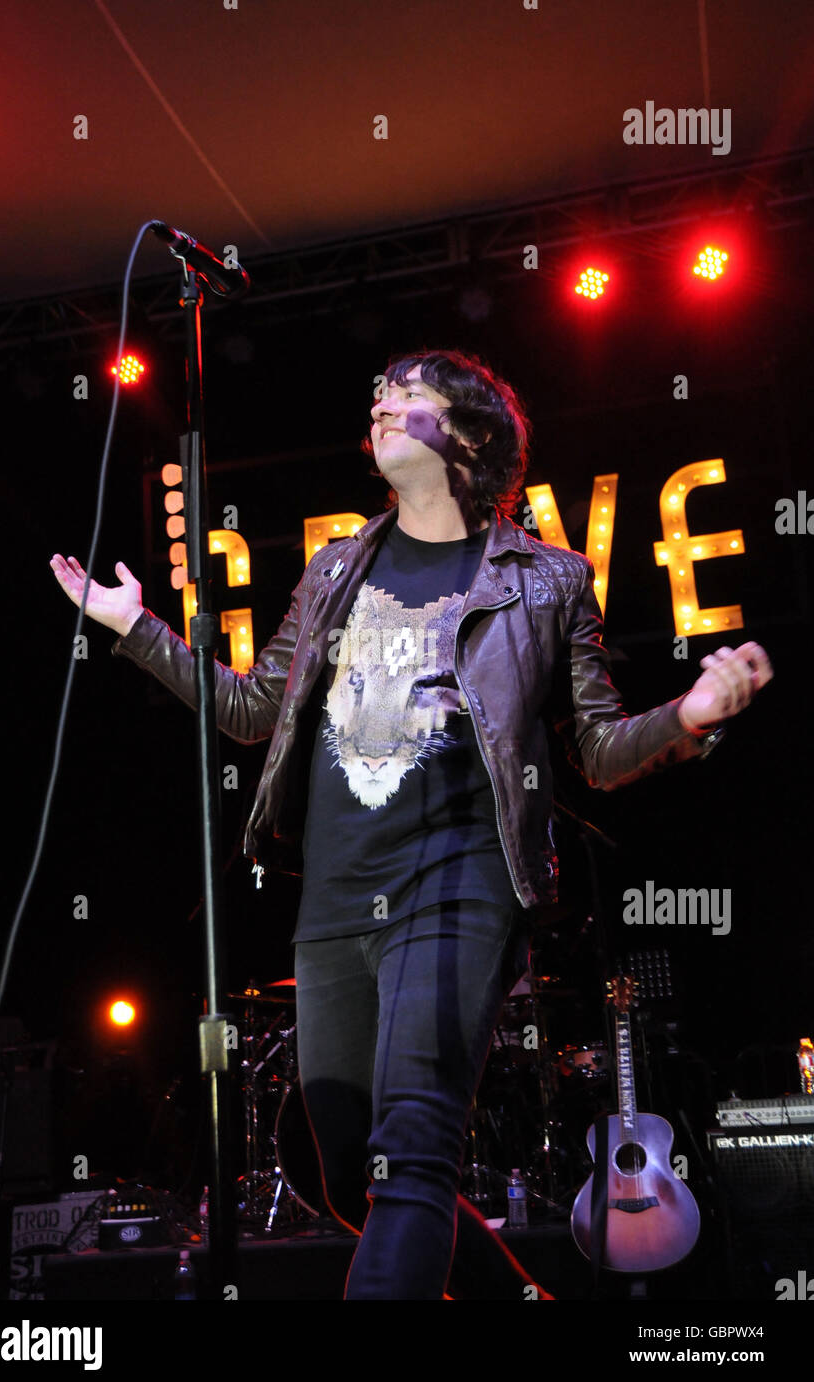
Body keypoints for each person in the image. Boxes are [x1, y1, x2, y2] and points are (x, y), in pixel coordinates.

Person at [50, 348, 772, 1299]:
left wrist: (687, 718)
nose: (383, 404)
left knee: (416, 1148)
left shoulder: (545, 580)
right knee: (352, 1175)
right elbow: (252, 710)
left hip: (462, 882)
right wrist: (135, 629)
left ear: (470, 434)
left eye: (411, 396)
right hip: (339, 899)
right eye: (378, 396)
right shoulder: (335, 571)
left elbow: (595, 748)